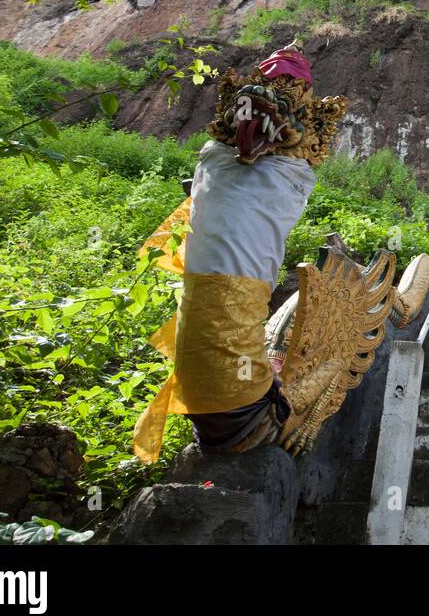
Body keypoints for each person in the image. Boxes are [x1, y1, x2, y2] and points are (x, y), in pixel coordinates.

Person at [132, 46, 345, 463]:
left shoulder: (217, 161)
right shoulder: (280, 169)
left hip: (206, 399)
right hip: (242, 412)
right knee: (335, 362)